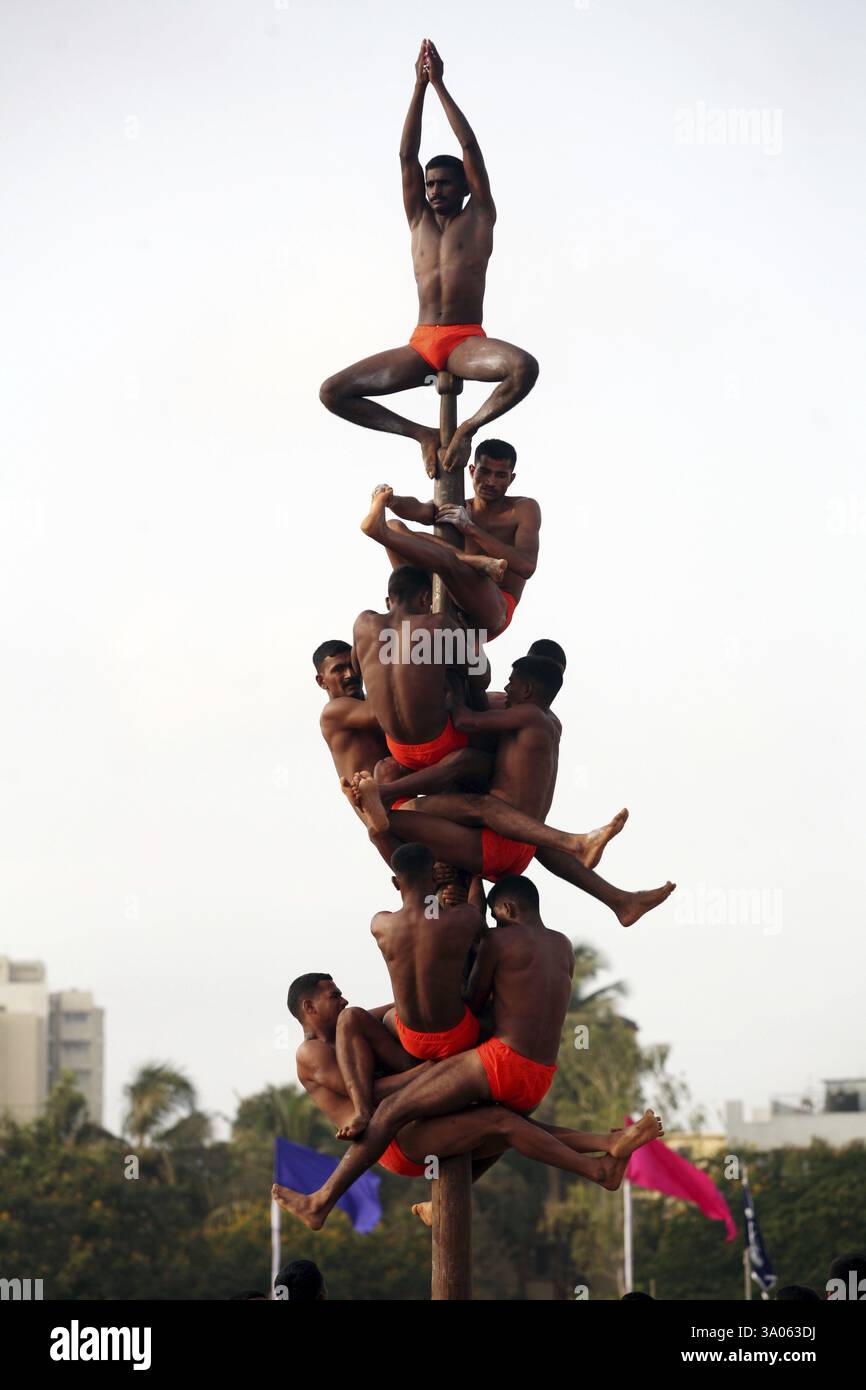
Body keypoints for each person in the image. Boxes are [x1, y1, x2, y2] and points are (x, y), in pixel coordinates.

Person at [273, 877, 664, 1229]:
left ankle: (602, 1153)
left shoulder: (349, 1025)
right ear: (308, 1008)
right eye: (333, 996)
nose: (342, 999)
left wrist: (427, 990)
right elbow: (374, 1096)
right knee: (498, 1122)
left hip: (430, 1113)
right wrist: (431, 1065)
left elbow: (399, 1006)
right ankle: (321, 1202)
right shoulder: (312, 1053)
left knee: (505, 1124)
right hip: (391, 1140)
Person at [319, 40, 538, 477]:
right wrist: (416, 88)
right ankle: (421, 434)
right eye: (431, 184)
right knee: (332, 392)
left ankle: (466, 431)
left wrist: (439, 84)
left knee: (523, 368)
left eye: (444, 184)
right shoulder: (417, 218)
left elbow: (470, 147)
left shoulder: (479, 216)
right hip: (422, 343)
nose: (435, 190)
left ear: (464, 189)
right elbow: (406, 157)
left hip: (464, 342)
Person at [349, 658, 674, 926]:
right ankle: (618, 899)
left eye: (512, 682)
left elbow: (464, 720)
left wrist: (454, 685)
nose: (506, 688)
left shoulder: (524, 714)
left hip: (497, 839)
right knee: (522, 823)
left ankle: (576, 843)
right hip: (525, 844)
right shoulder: (546, 725)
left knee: (392, 819)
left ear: (528, 689)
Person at [383, 440, 540, 640]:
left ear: (511, 479)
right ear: (472, 471)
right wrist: (391, 500)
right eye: (485, 472)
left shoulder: (523, 509)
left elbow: (527, 566)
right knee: (391, 528)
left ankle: (462, 562)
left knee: (451, 562)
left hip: (492, 608)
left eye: (500, 475)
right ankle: (416, 604)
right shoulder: (459, 506)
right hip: (444, 597)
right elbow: (419, 510)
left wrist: (470, 529)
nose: (491, 481)